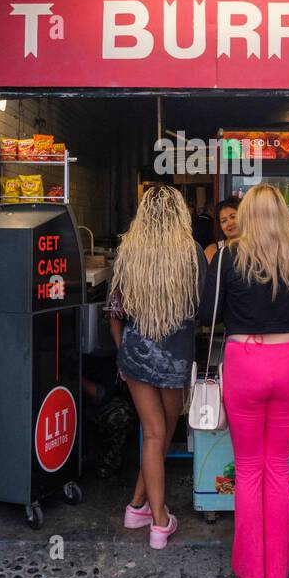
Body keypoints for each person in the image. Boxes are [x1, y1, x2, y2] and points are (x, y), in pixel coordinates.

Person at [200, 183, 289, 578]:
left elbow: (203, 308)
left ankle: (252, 573)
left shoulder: (229, 254)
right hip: (288, 363)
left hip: (245, 364)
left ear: (246, 215)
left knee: (248, 470)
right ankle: (278, 573)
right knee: (278, 469)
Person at [107, 185, 206, 548]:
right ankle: (160, 522)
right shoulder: (192, 253)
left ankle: (138, 506)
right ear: (180, 213)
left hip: (135, 355)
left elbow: (114, 312)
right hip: (176, 357)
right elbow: (203, 307)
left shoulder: (127, 254)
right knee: (161, 433)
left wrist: (124, 352)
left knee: (154, 434)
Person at [204, 195, 240, 265]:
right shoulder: (212, 251)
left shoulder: (255, 248)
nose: (229, 223)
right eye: (224, 221)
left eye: (233, 217)